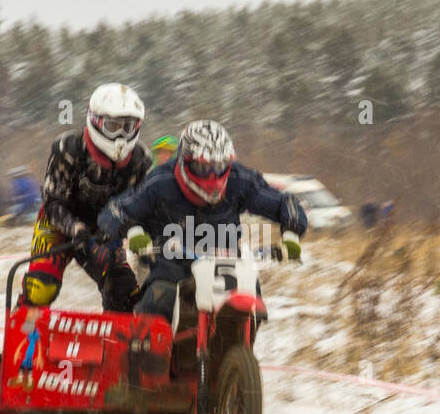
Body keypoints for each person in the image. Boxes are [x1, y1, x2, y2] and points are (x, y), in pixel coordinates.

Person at [97, 120, 307, 320]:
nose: (212, 177)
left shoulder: (239, 180)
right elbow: (113, 210)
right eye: (203, 167)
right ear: (184, 161)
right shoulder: (161, 182)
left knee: (254, 302)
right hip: (172, 267)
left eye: (219, 166)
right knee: (157, 303)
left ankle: (241, 350)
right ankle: (151, 354)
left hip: (228, 265)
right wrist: (134, 232)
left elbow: (284, 203)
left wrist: (291, 234)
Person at [21, 83, 152, 310]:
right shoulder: (68, 150)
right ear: (96, 121)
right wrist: (75, 229)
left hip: (101, 233)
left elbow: (134, 209)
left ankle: (116, 344)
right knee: (40, 286)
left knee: (125, 293)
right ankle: (24, 336)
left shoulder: (140, 160)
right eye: (113, 126)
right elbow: (53, 202)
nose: (121, 134)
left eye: (128, 127)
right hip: (58, 225)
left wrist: (133, 232)